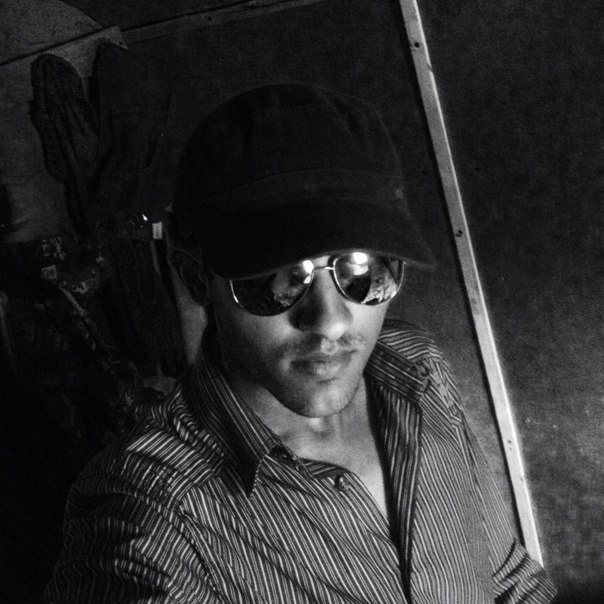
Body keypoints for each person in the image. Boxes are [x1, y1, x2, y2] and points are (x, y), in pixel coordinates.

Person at [45, 83, 556, 603]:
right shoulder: (151, 520)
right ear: (198, 279)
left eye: (363, 271)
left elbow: (509, 580)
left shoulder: (419, 373)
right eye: (278, 279)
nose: (330, 322)